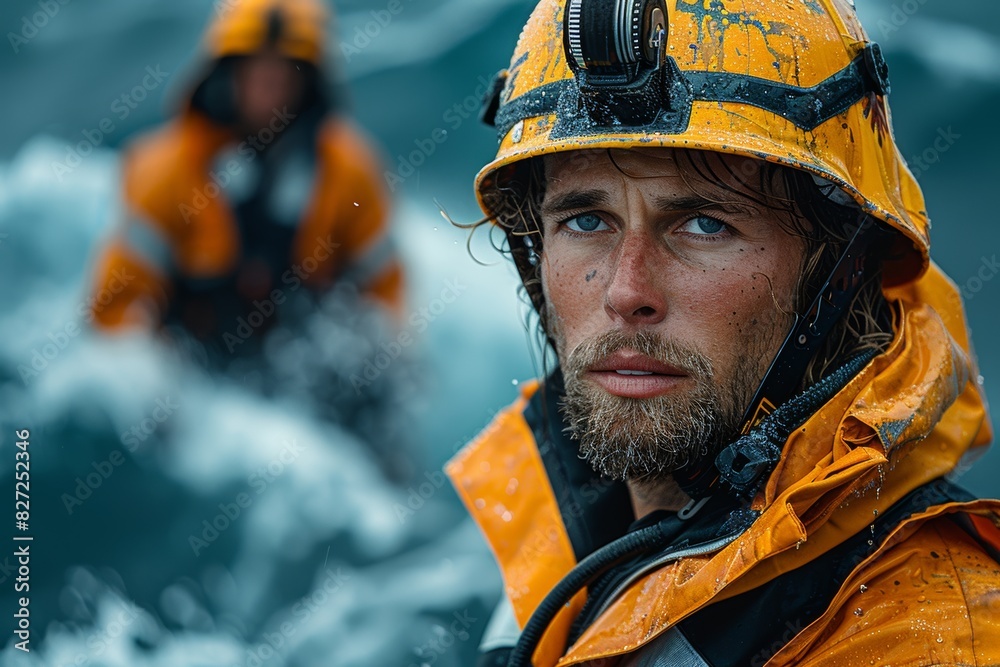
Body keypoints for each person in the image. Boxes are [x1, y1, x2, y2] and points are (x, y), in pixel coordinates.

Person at [446, 1, 1000, 665]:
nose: (626, 292)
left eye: (705, 224)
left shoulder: (927, 635)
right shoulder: (570, 535)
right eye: (586, 221)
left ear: (840, 270)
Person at [89, 0, 403, 362]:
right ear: (225, 74)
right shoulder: (162, 172)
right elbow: (116, 307)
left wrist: (370, 357)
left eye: (284, 73)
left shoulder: (353, 170)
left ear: (310, 82)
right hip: (191, 367)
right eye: (255, 72)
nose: (268, 88)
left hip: (302, 367)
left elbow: (385, 295)